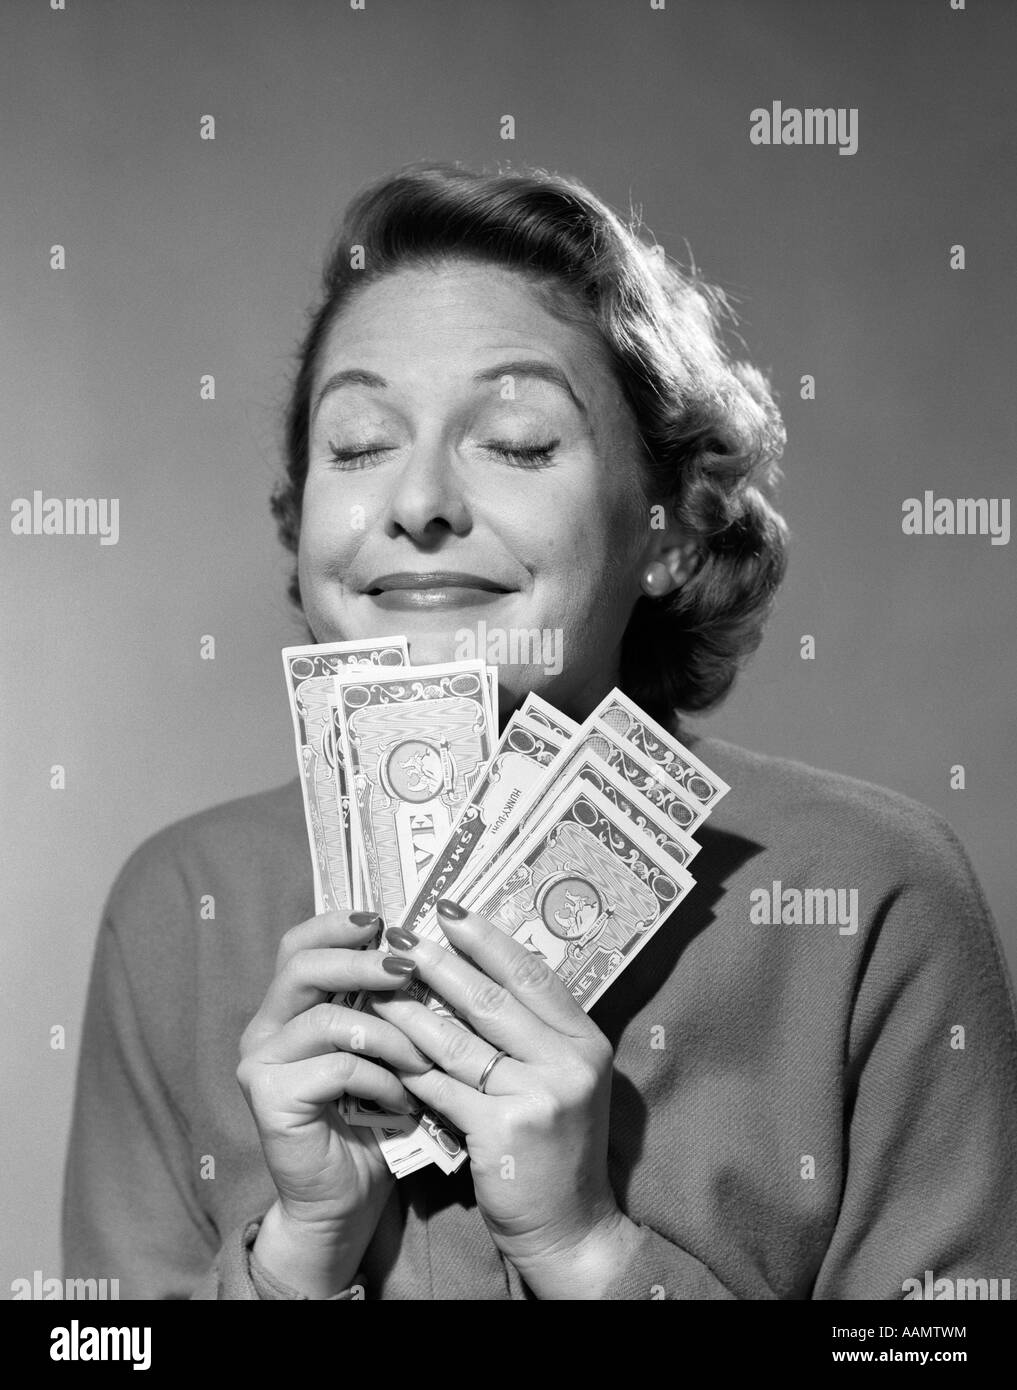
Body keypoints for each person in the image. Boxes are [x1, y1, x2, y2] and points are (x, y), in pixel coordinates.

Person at [62, 161, 1017, 1300]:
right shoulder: (179, 905)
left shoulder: (873, 893)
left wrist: (592, 1255)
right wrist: (294, 1257)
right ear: (301, 520)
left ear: (670, 529)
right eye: (359, 444)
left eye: (515, 441)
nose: (418, 502)